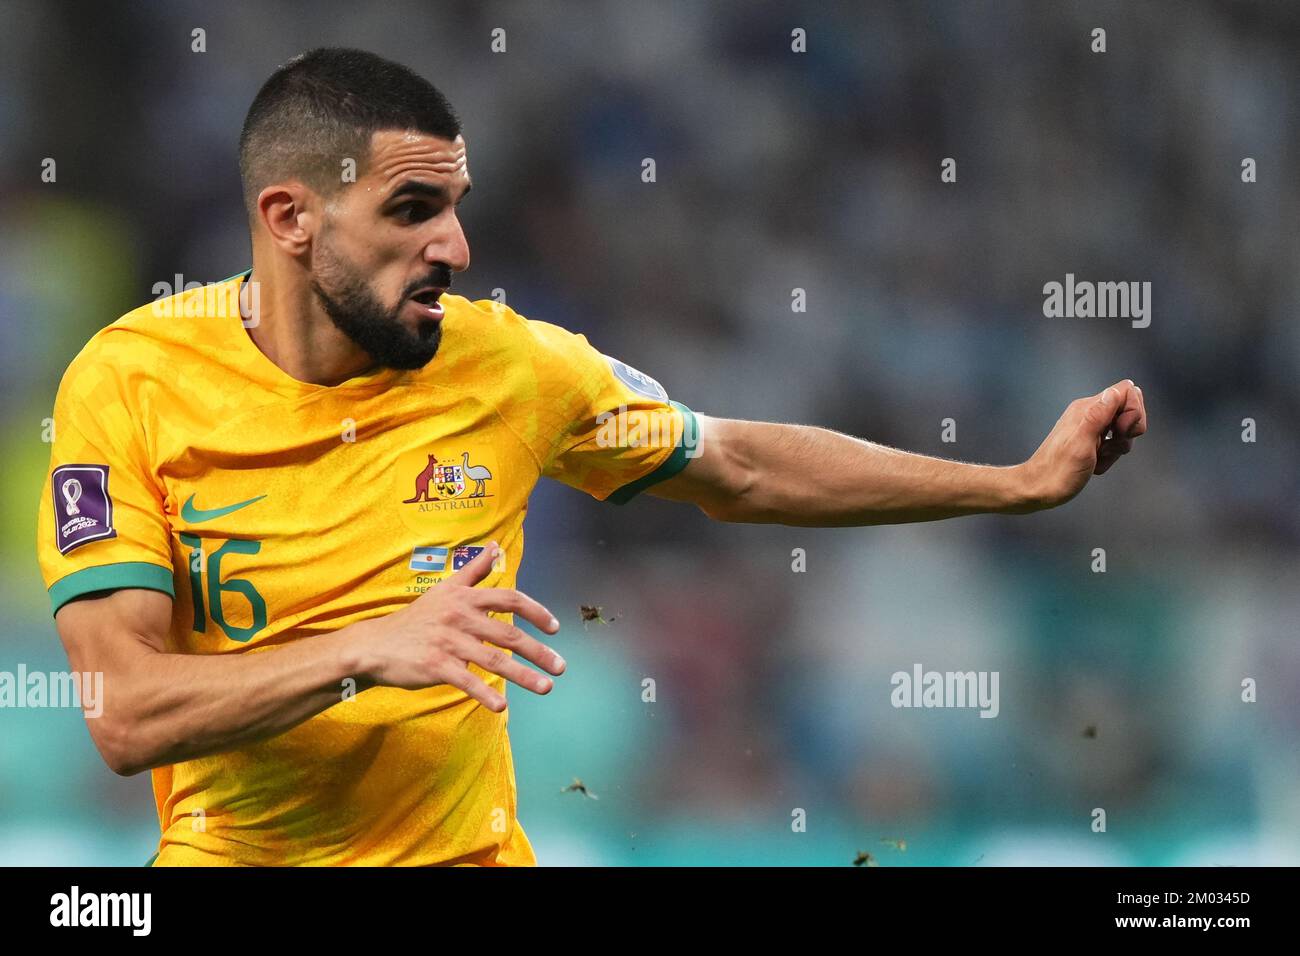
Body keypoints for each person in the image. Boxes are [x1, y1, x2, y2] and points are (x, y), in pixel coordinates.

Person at [36, 48, 1148, 866]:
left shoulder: (513, 367)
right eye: (412, 209)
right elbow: (125, 712)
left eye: (456, 209)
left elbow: (743, 467)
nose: (455, 249)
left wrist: (1009, 481)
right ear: (289, 216)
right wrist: (367, 647)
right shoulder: (128, 383)